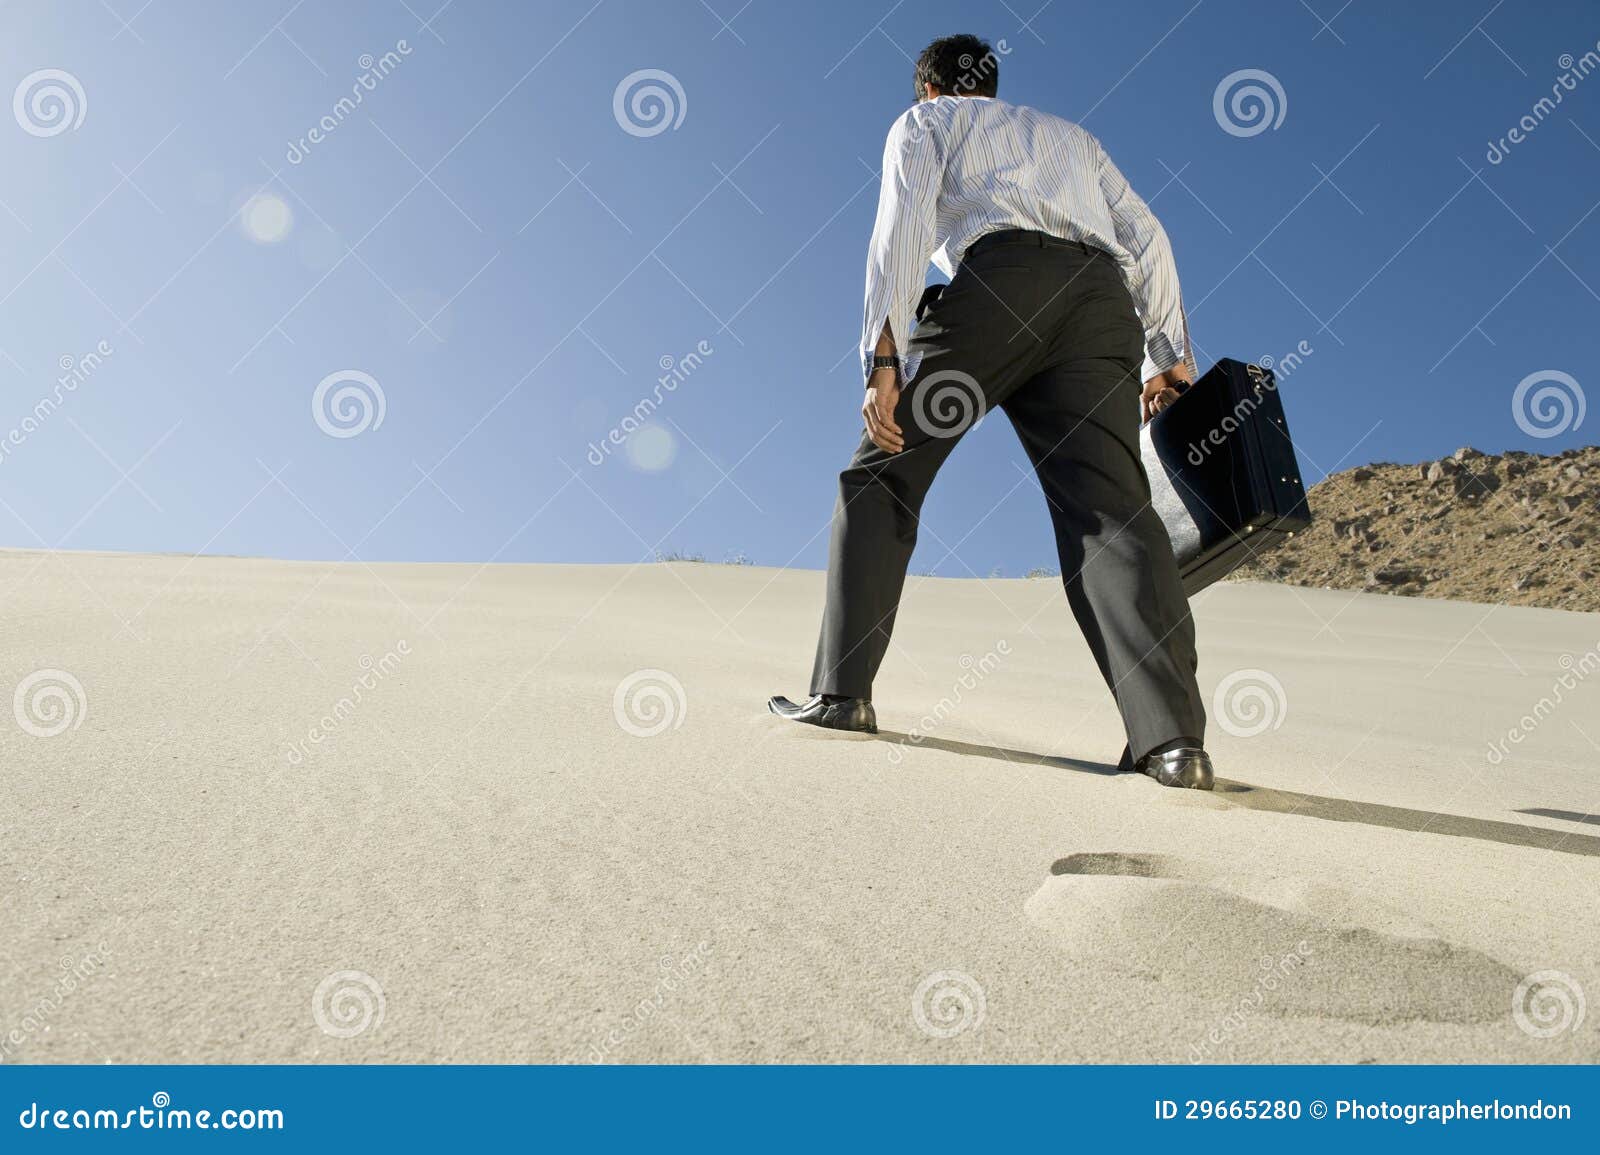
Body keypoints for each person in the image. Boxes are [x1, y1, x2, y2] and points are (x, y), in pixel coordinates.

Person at [767, 33, 1213, 790]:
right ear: (992, 84)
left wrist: (884, 354)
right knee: (1112, 515)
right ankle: (1174, 745)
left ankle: (843, 692)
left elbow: (903, 224)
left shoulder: (928, 125)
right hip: (1103, 311)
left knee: (882, 473)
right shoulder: (1075, 141)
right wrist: (1170, 358)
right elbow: (1146, 237)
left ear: (929, 90)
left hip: (1000, 288)